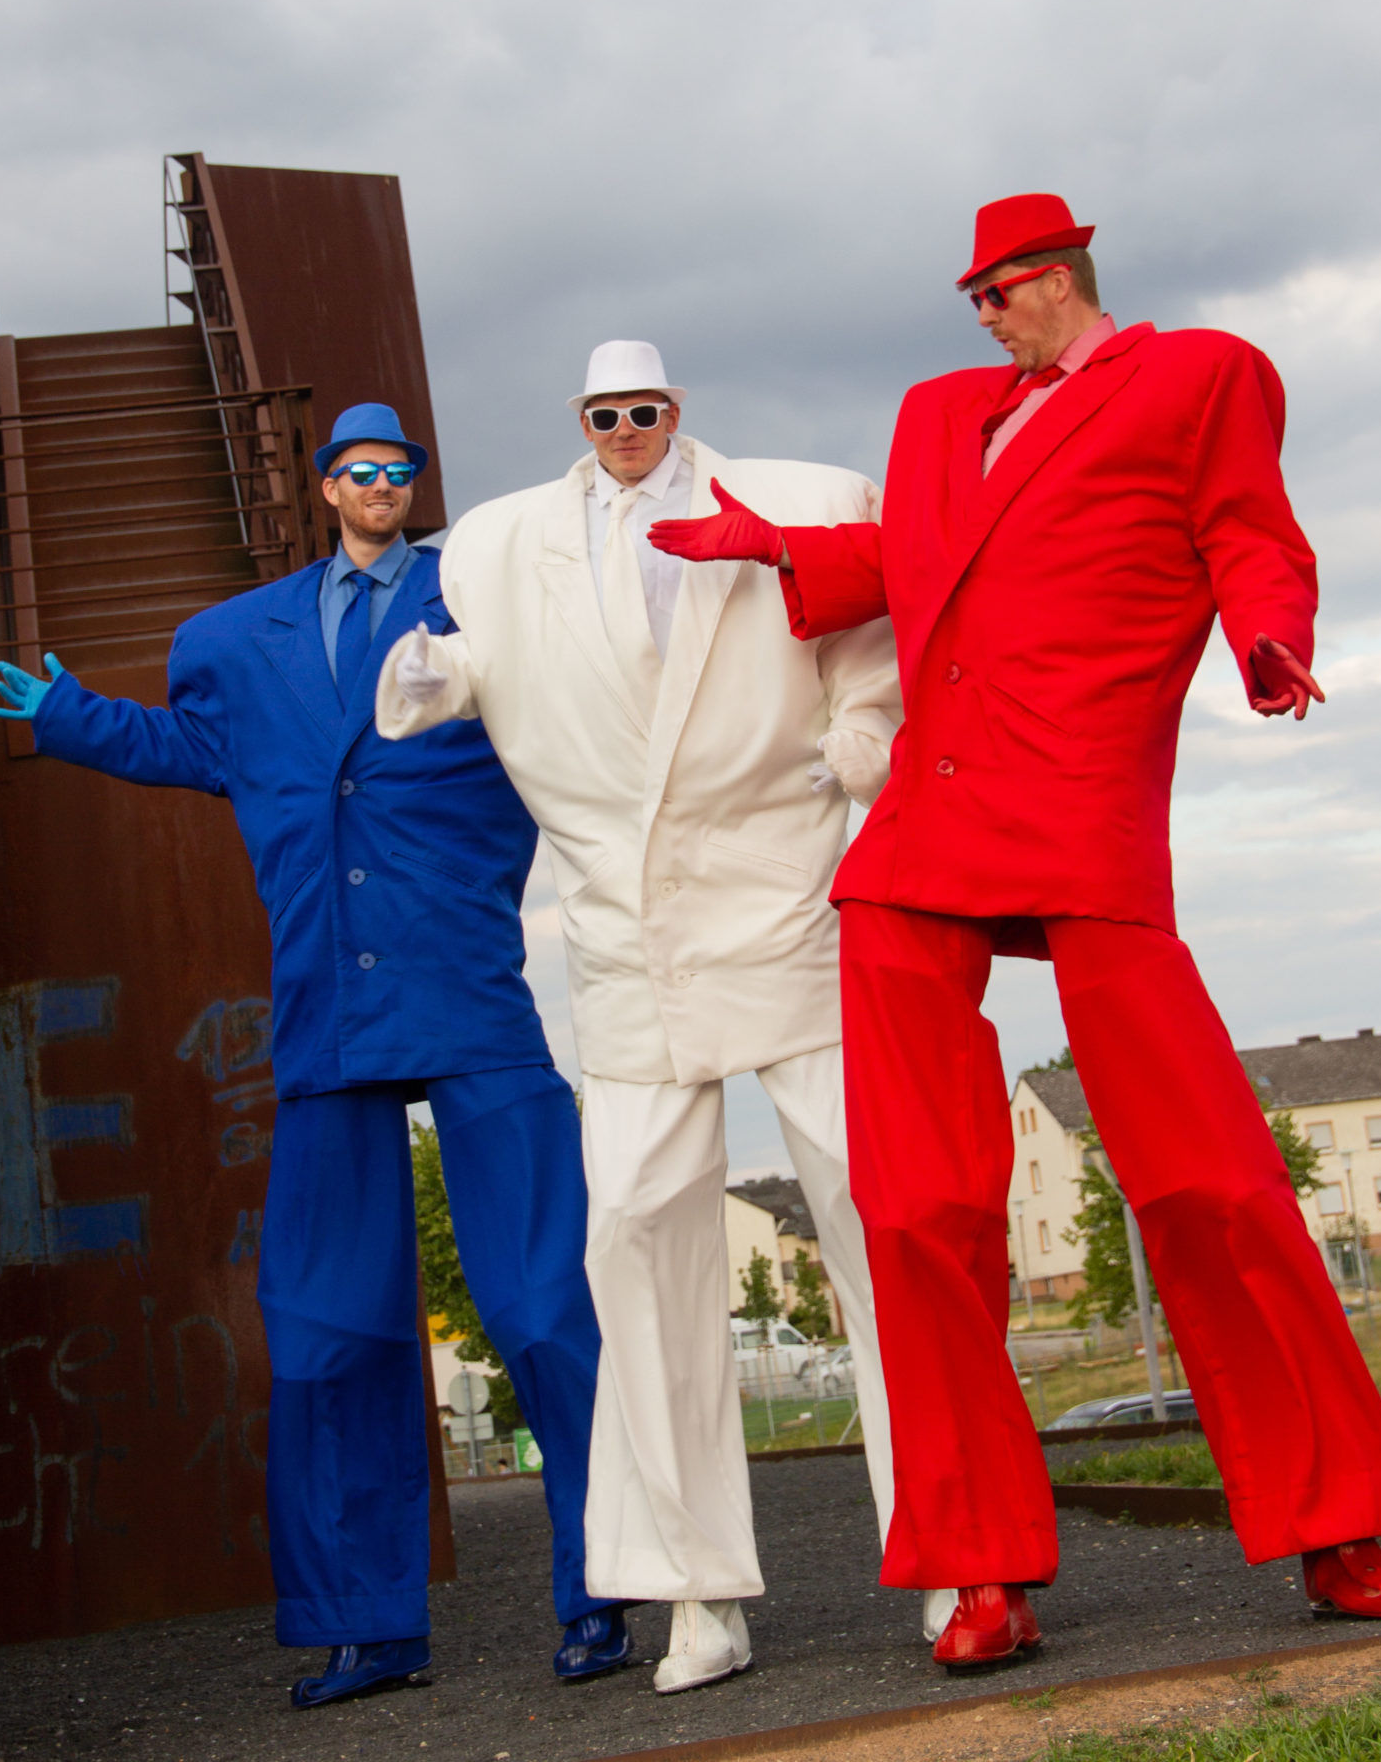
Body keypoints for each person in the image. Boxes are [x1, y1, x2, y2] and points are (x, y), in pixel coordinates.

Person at [645, 197, 1381, 1666]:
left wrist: (1269, 638)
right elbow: (922, 569)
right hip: (922, 830)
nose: (979, 317)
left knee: (1212, 1182)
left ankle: (1336, 1526)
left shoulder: (1198, 374)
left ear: (1054, 279)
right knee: (914, 1204)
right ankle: (979, 1568)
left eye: (995, 292)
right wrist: (777, 548)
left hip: (1081, 809)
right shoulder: (940, 415)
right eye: (973, 297)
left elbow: (1249, 531)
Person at [0, 402, 627, 1705]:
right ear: (325, 484)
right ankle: (368, 1621)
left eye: (399, 469)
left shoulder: (487, 602)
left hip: (465, 992)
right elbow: (202, 753)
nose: (381, 484)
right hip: (327, 1013)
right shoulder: (240, 640)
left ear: (412, 484)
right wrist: (70, 716)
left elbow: (583, 722)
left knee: (542, 1308)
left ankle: (608, 1583)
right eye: (359, 468)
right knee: (329, 1329)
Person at [376, 341, 952, 1693]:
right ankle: (695, 1592)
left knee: (879, 1215)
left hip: (784, 893)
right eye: (602, 414)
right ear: (579, 421)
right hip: (623, 932)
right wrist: (431, 682)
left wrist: (862, 741)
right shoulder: (504, 542)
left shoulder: (804, 497)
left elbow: (870, 651)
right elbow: (478, 668)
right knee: (632, 1244)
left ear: (674, 412)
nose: (625, 429)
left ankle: (950, 1544)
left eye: (643, 410)